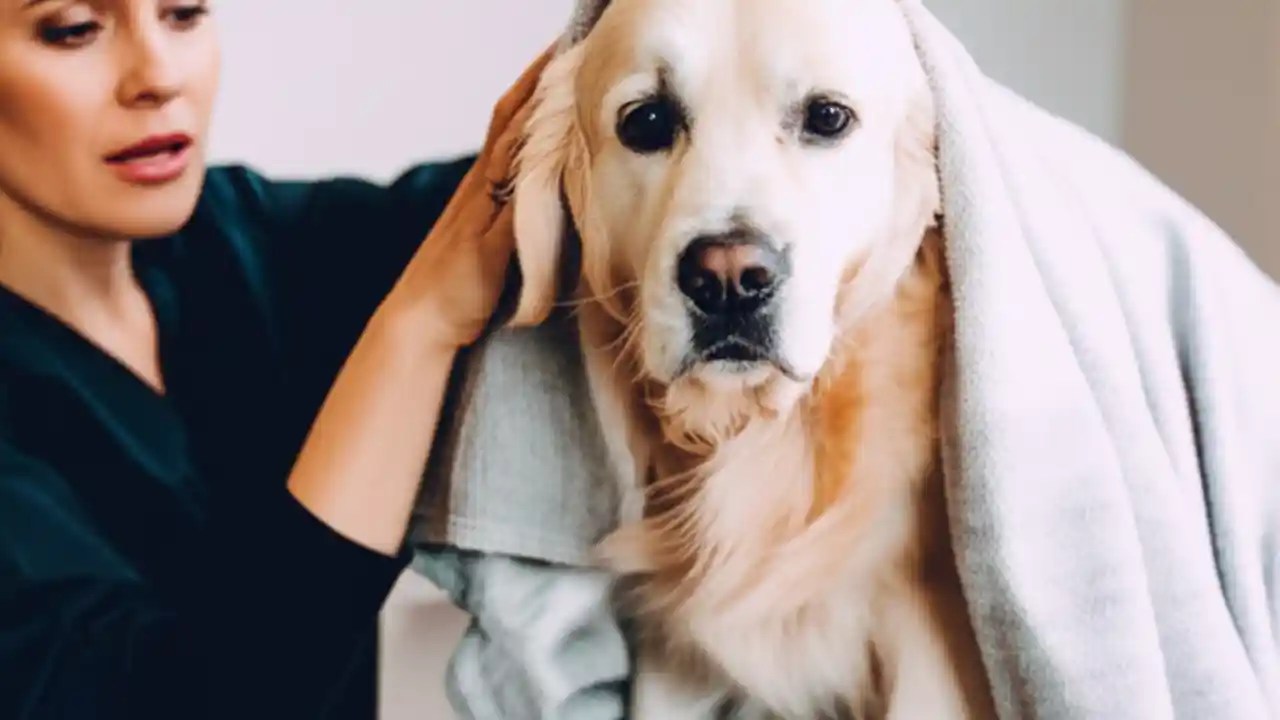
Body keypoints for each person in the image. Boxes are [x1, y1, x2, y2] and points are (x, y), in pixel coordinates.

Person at [0, 0, 552, 717]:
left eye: (184, 13)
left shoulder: (231, 243)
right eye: (73, 29)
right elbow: (198, 697)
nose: (159, 76)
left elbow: (521, 203)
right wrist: (418, 326)